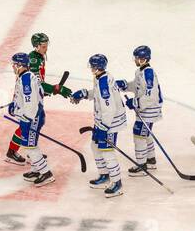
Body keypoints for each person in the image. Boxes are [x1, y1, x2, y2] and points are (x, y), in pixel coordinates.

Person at [68, 54, 129, 198]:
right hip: (102, 121)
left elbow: (109, 109)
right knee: (95, 147)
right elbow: (97, 95)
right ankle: (105, 175)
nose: (91, 69)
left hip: (110, 123)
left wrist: (103, 127)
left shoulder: (103, 82)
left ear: (96, 67)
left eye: (92, 66)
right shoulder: (101, 77)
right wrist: (84, 94)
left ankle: (117, 183)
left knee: (107, 152)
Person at [8, 52, 52, 187]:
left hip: (32, 118)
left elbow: (31, 105)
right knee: (31, 144)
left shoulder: (26, 80)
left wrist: (24, 117)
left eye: (14, 64)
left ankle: (46, 173)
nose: (13, 66)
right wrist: (14, 104)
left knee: (30, 146)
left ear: (20, 65)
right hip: (31, 117)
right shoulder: (25, 77)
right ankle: (36, 169)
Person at [118, 46, 163, 174]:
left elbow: (151, 96)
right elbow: (138, 87)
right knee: (145, 134)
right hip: (145, 109)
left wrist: (134, 102)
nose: (135, 60)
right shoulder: (140, 71)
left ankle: (142, 165)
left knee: (139, 135)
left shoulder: (148, 73)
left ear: (143, 59)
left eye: (137, 58)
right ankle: (151, 159)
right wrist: (125, 85)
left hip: (150, 109)